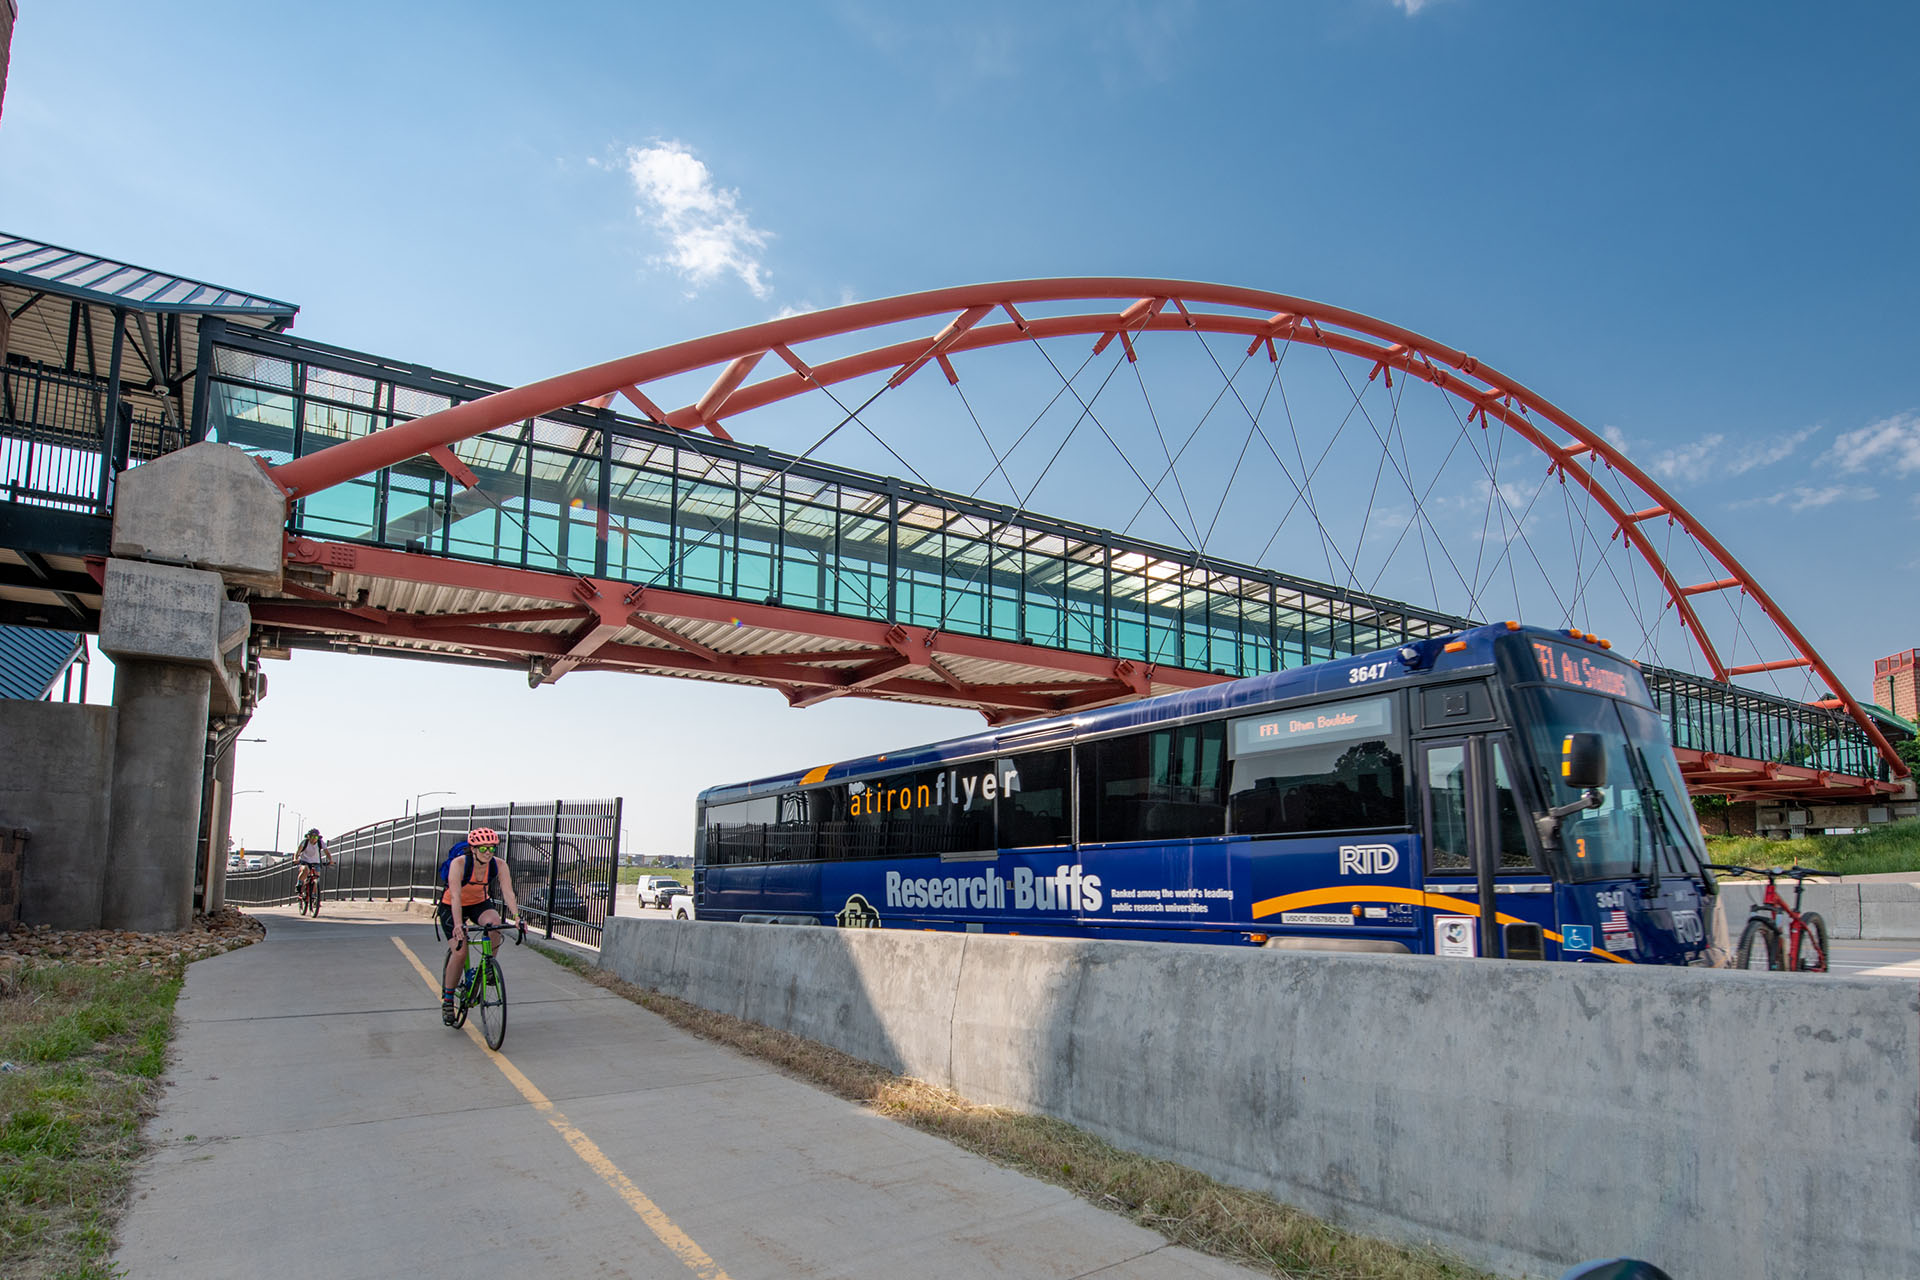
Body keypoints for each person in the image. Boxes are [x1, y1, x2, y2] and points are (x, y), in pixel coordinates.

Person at [439, 826, 520, 1024]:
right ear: (473, 849)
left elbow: (508, 892)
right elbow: (456, 896)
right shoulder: (459, 864)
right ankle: (448, 1000)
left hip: (479, 904)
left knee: (494, 924)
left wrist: (517, 917)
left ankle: (488, 966)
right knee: (460, 952)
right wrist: (458, 925)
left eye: (492, 848)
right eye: (483, 849)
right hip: (452, 906)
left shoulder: (499, 865)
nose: (488, 853)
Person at [293, 828, 329, 905]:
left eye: (315, 837)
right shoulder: (304, 842)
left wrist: (331, 860)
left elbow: (327, 852)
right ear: (308, 837)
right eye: (312, 837)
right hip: (304, 860)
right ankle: (299, 884)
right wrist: (295, 859)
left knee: (316, 877)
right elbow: (297, 852)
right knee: (305, 870)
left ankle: (313, 895)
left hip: (316, 862)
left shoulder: (320, 842)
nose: (313, 839)